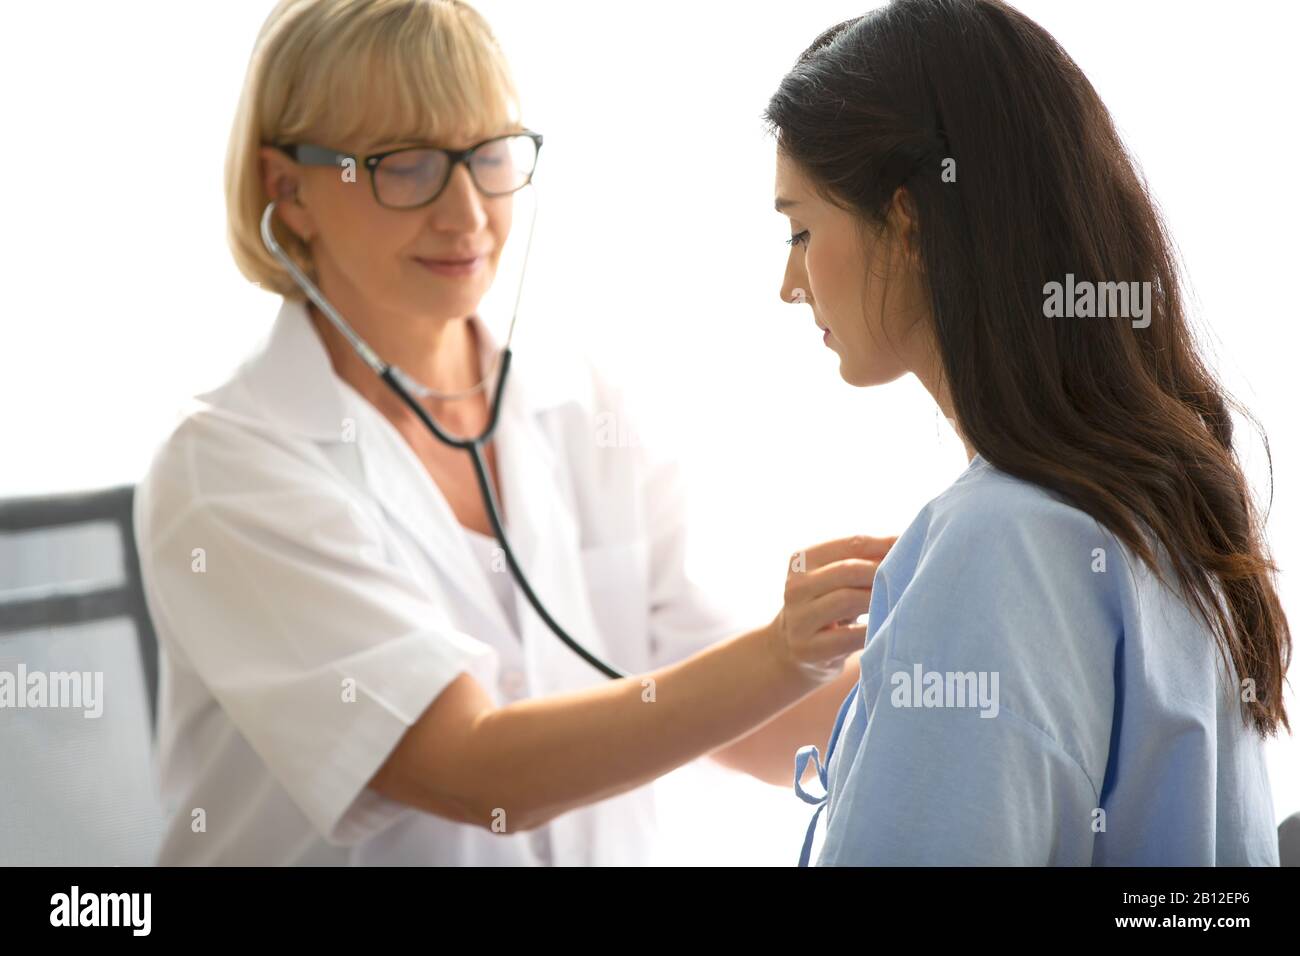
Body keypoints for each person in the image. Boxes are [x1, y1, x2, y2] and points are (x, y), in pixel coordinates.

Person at [134, 0, 887, 865]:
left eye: (487, 156)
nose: (467, 213)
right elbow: (474, 773)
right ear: (289, 190)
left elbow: (750, 716)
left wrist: (962, 657)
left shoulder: (586, 404)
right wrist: (782, 652)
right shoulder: (225, 464)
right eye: (405, 165)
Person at [768, 0, 1290, 865]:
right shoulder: (1155, 508)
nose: (789, 283)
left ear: (911, 222)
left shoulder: (998, 544)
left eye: (800, 229)